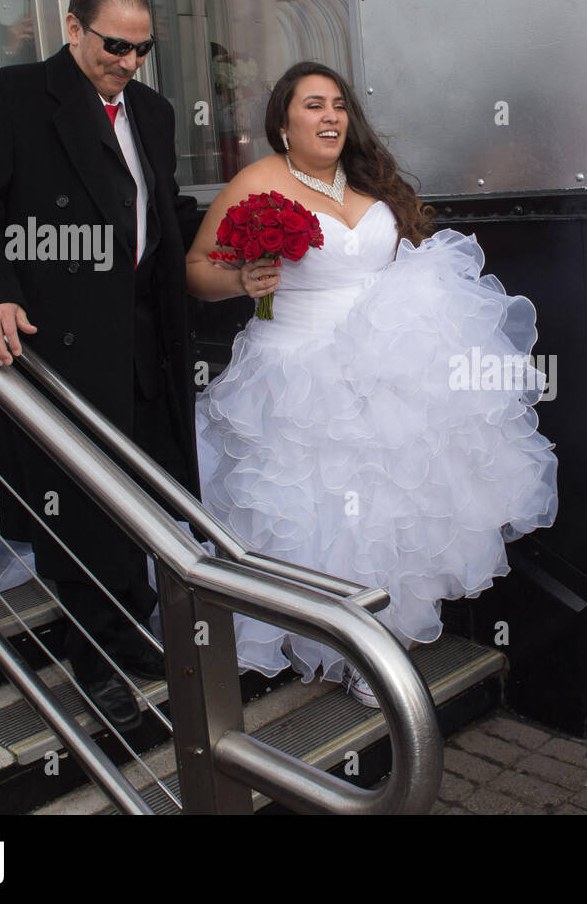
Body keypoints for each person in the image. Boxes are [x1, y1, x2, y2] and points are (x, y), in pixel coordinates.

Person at [187, 61, 558, 707]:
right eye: (312, 105)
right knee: (320, 513)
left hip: (387, 366)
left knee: (393, 510)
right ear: (283, 121)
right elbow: (198, 269)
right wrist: (242, 281)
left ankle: (383, 641)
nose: (330, 116)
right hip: (297, 374)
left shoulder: (369, 179)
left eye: (338, 104)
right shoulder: (259, 180)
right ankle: (340, 641)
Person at [0, 0, 200, 731]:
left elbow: (163, 211)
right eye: (114, 45)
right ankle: (99, 663)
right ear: (73, 29)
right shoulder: (9, 96)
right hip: (59, 343)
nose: (128, 61)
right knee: (80, 503)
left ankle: (130, 625)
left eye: (142, 48)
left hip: (145, 340)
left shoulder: (151, 111)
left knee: (139, 493)